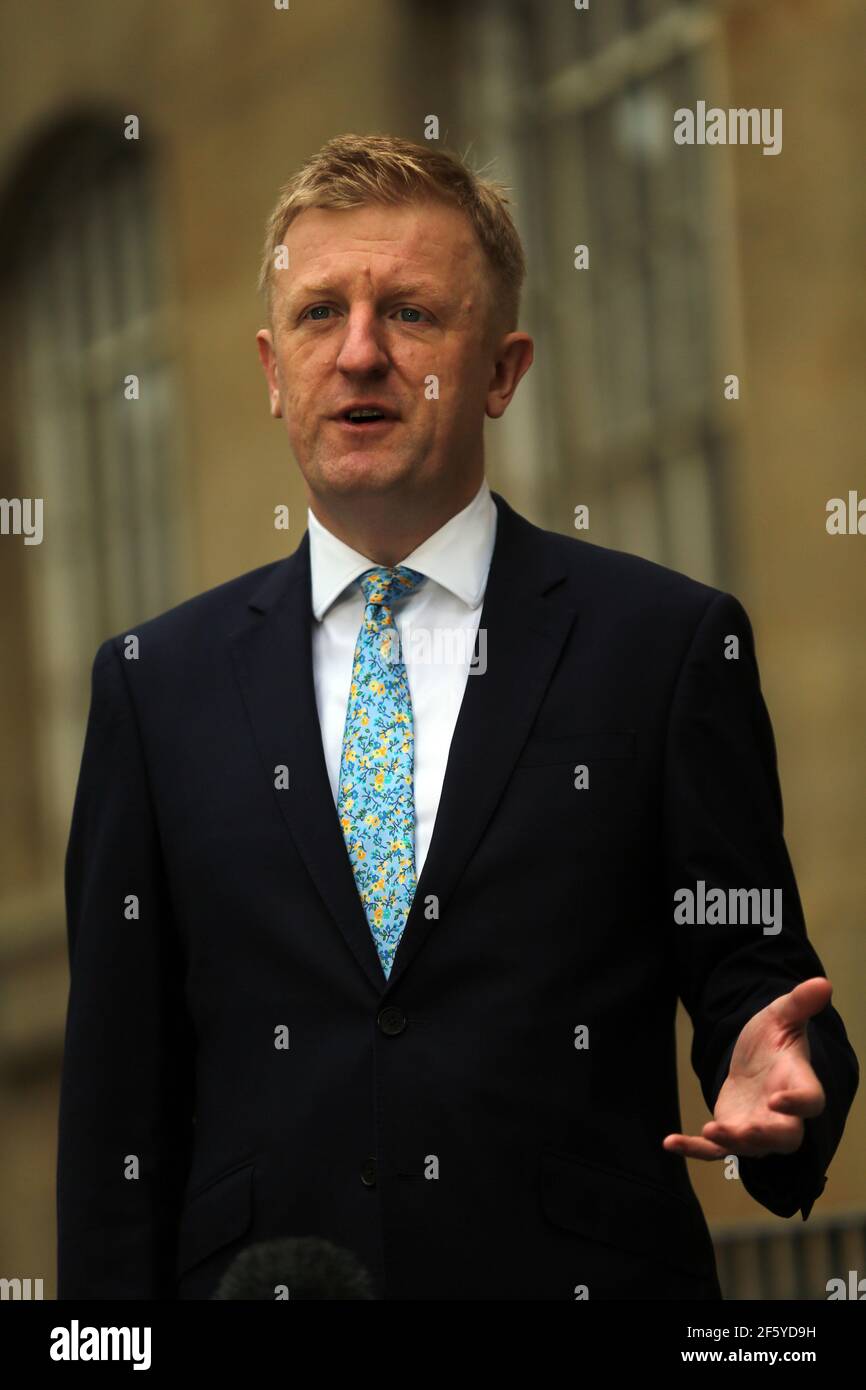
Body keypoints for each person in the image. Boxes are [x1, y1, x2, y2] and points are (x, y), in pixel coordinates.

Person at [57, 133, 858, 1300]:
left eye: (413, 314)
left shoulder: (660, 647)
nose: (362, 352)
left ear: (500, 369)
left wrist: (791, 1083)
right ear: (273, 370)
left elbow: (761, 978)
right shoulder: (153, 684)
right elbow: (113, 1107)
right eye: (321, 314)